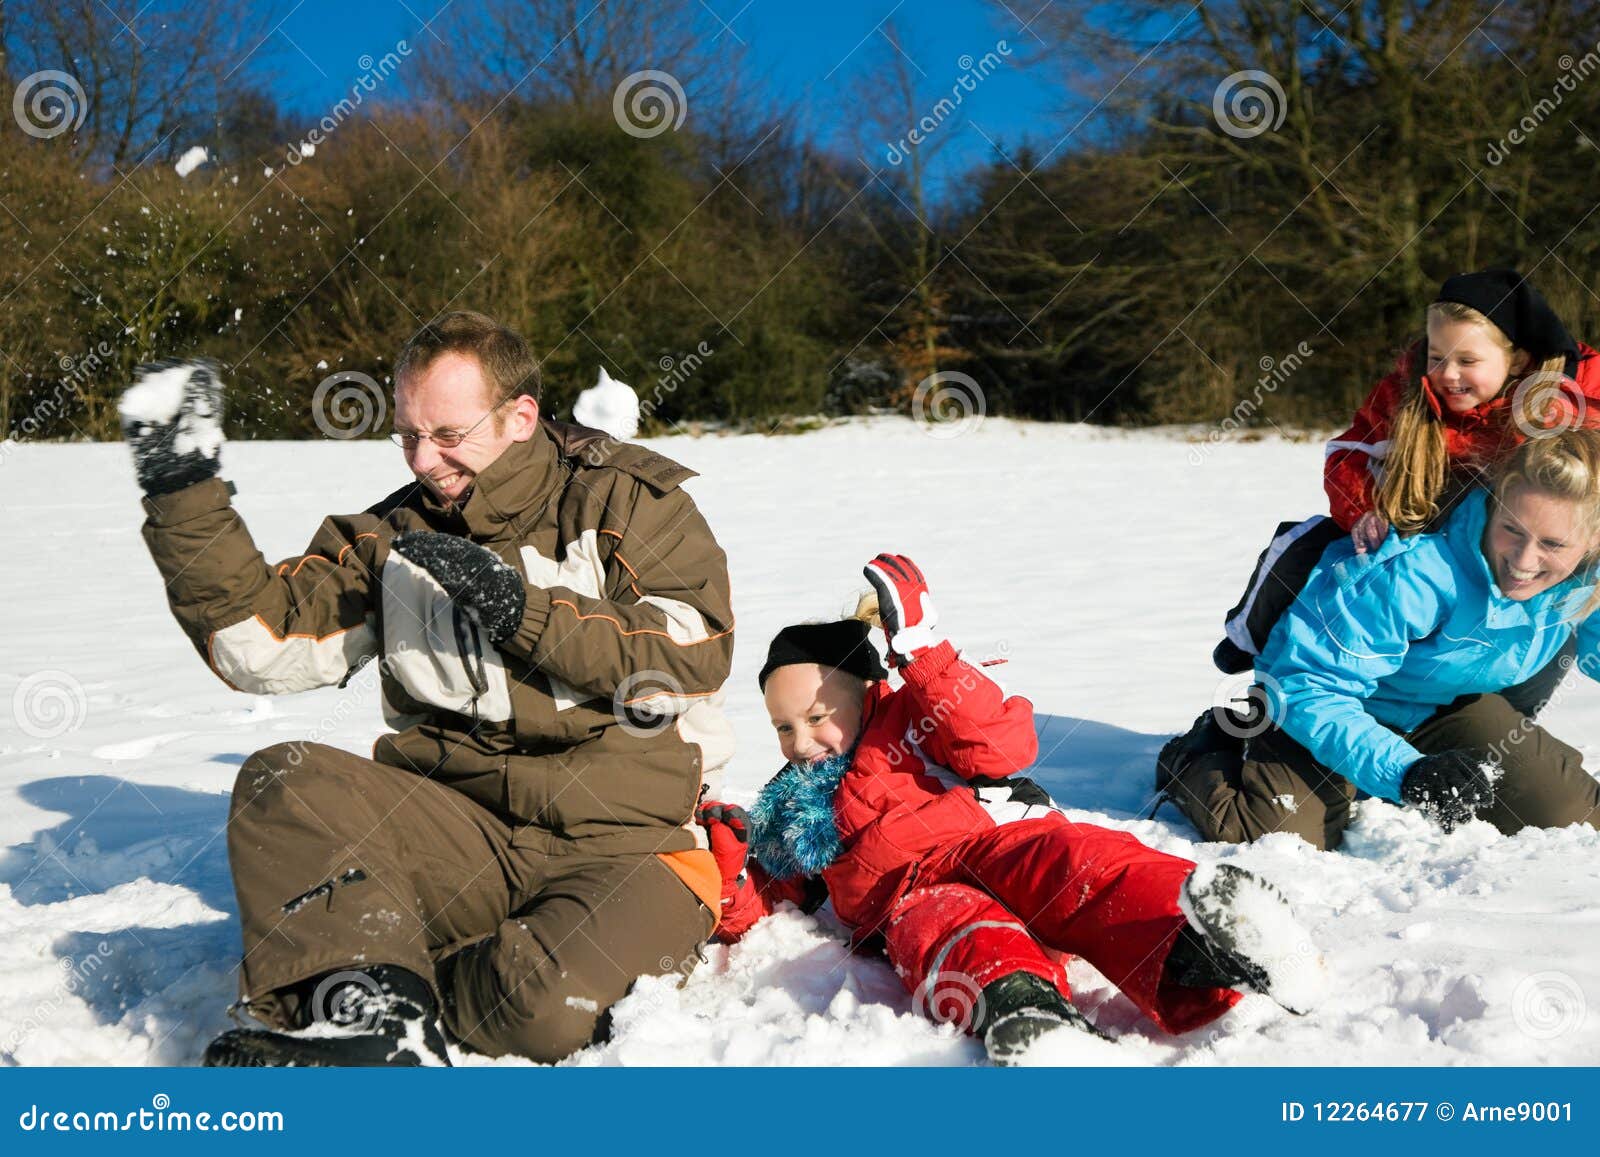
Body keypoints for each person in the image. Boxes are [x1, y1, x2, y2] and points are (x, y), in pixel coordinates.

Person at [118, 311, 736, 1066]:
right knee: (288, 779)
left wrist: (524, 611)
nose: (424, 459)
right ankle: (373, 1016)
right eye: (408, 435)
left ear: (520, 416)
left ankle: (388, 979)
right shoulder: (390, 540)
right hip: (459, 834)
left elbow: (694, 645)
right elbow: (259, 647)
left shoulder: (625, 500)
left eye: (447, 434)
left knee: (542, 1010)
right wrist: (183, 491)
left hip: (628, 844)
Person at [698, 554, 1319, 1065]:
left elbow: (1001, 744)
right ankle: (1030, 1017)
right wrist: (726, 874)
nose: (800, 742)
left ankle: (1207, 942)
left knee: (1071, 860)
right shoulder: (791, 809)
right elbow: (770, 905)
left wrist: (928, 654)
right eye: (782, 727)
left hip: (987, 843)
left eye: (816, 717)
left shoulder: (915, 714)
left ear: (868, 692)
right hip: (905, 901)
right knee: (949, 929)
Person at [1162, 429, 1600, 850]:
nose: (1524, 560)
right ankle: (1197, 753)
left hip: (1436, 704)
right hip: (1315, 698)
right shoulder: (1417, 572)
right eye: (1512, 529)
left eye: (1553, 544)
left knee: (1574, 813)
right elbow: (1308, 685)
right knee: (1279, 833)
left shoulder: (1585, 581)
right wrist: (1405, 771)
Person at [1213, 268, 1600, 724]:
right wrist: (1363, 509)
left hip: (1512, 539)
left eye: (1467, 361)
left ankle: (1510, 716)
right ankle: (1259, 649)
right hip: (1426, 521)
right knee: (1311, 547)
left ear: (1516, 360)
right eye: (1437, 357)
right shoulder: (1407, 392)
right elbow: (1350, 451)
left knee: (1553, 607)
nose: (1447, 375)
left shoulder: (1563, 398)